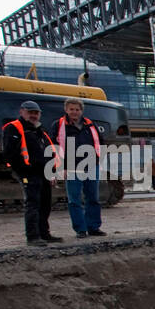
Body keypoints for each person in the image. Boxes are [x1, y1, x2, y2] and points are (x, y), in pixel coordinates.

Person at [2, 101, 61, 245]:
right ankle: (33, 236)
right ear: (22, 112)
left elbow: (49, 153)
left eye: (36, 113)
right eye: (30, 112)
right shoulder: (14, 128)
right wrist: (23, 171)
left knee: (45, 204)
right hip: (29, 173)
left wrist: (52, 172)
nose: (33, 115)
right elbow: (10, 153)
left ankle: (44, 234)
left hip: (43, 173)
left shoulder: (40, 131)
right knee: (33, 203)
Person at [53, 98, 105, 238]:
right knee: (74, 200)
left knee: (93, 198)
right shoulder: (59, 125)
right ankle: (80, 229)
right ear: (66, 110)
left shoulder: (90, 125)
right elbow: (54, 147)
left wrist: (98, 160)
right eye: (71, 109)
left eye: (77, 109)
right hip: (71, 167)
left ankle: (93, 227)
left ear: (81, 110)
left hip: (91, 165)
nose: (74, 112)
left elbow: (100, 142)